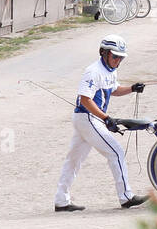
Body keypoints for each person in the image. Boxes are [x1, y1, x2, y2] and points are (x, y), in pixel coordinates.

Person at [54, 34, 149, 212]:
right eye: (115, 56)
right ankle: (126, 197)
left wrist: (132, 88)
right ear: (103, 53)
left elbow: (113, 90)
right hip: (88, 119)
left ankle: (61, 201)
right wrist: (106, 118)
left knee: (73, 161)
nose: (118, 61)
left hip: (87, 120)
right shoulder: (93, 71)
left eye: (121, 58)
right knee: (116, 152)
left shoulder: (109, 71)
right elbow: (84, 99)